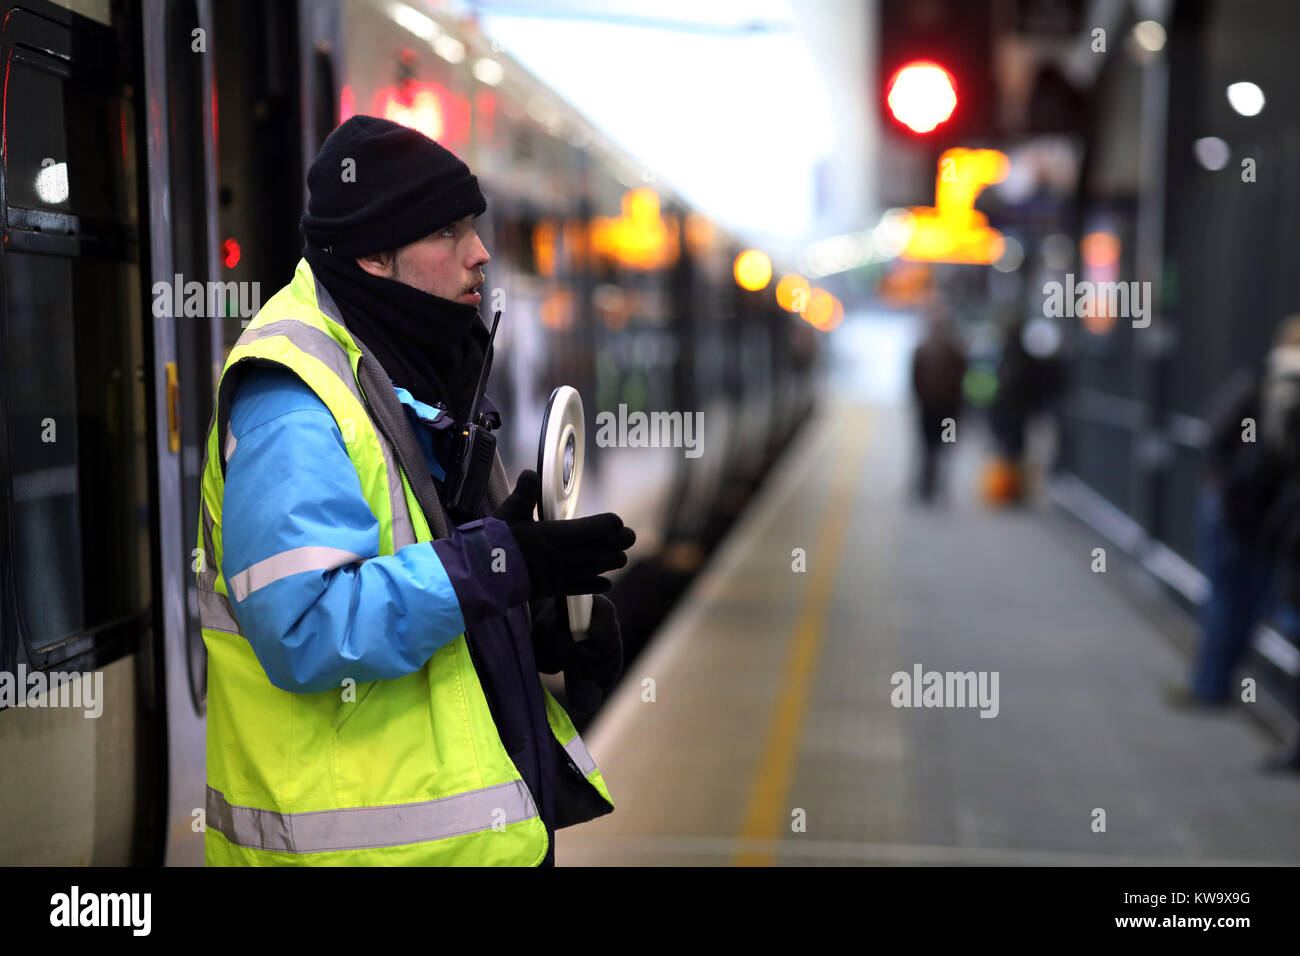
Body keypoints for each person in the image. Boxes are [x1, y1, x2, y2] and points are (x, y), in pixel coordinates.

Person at [194, 115, 636, 865]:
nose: (481, 254)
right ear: (374, 253)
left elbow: (431, 584)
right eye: (449, 232)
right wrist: (498, 562)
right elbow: (305, 626)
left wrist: (535, 616)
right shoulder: (292, 398)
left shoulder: (408, 366)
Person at [910, 297, 967, 502]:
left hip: (936, 408)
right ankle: (935, 488)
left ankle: (929, 488)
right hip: (943, 410)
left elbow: (914, 381)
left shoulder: (925, 349)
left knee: (932, 449)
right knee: (939, 448)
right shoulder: (955, 350)